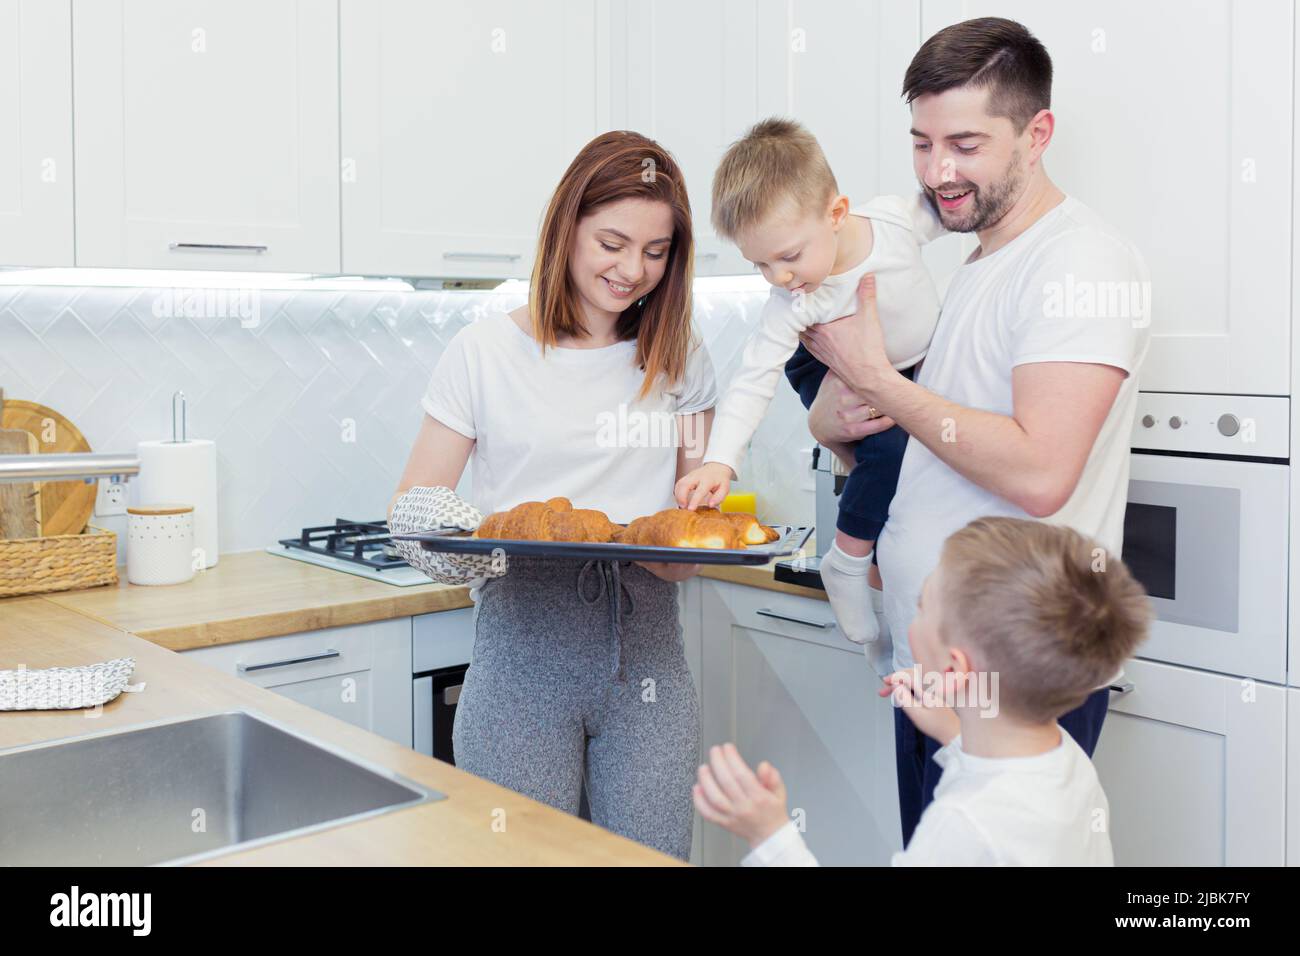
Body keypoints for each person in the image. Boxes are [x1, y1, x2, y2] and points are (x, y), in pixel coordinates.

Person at [798, 17, 1151, 846]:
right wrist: (840, 410)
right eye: (921, 143)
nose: (937, 172)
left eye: (965, 143)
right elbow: (930, 438)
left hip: (1014, 673)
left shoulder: (1080, 264)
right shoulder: (976, 263)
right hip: (942, 656)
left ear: (1038, 134)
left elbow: (1040, 471)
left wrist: (882, 381)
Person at [389, 131, 717, 860]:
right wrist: (481, 556)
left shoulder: (682, 357)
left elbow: (689, 544)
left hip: (650, 663)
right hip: (521, 662)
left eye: (657, 252)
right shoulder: (483, 354)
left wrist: (683, 545)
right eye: (613, 242)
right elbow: (413, 516)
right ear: (566, 224)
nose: (633, 270)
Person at [694, 517, 1152, 866]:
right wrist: (951, 729)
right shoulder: (1066, 760)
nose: (912, 617)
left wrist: (771, 837)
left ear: (954, 667)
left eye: (921, 608)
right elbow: (1001, 783)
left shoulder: (963, 824)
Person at [675, 117, 942, 645]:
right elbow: (754, 378)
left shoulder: (891, 222)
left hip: (908, 366)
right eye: (760, 264)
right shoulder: (795, 301)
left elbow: (949, 208)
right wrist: (719, 460)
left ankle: (882, 595)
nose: (778, 277)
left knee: (921, 461)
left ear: (837, 214)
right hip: (819, 362)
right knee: (888, 449)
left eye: (789, 256)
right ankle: (845, 559)